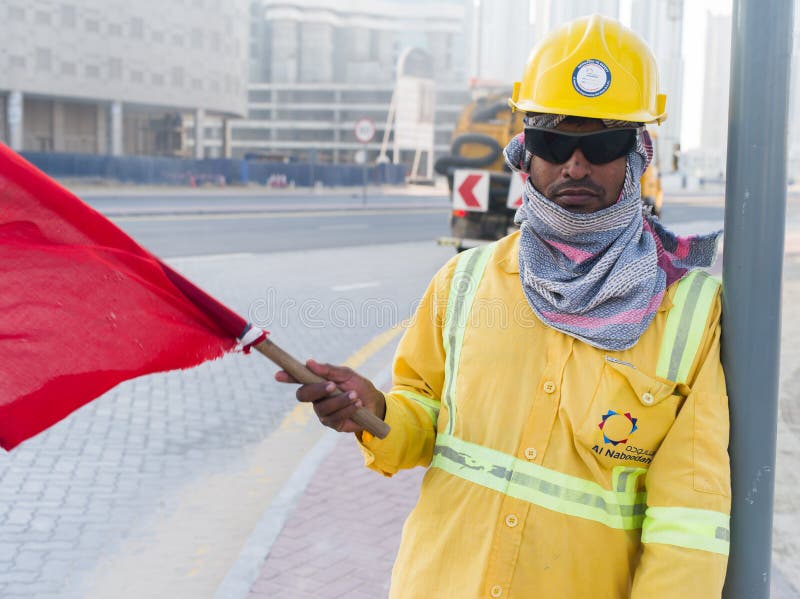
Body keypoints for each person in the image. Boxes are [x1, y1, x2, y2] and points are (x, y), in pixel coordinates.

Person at [276, 14, 729, 599]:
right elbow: (424, 418)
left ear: (637, 155)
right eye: (553, 142)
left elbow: (689, 521)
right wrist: (377, 410)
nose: (575, 165)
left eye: (602, 144)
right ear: (525, 153)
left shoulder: (690, 312)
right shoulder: (463, 282)